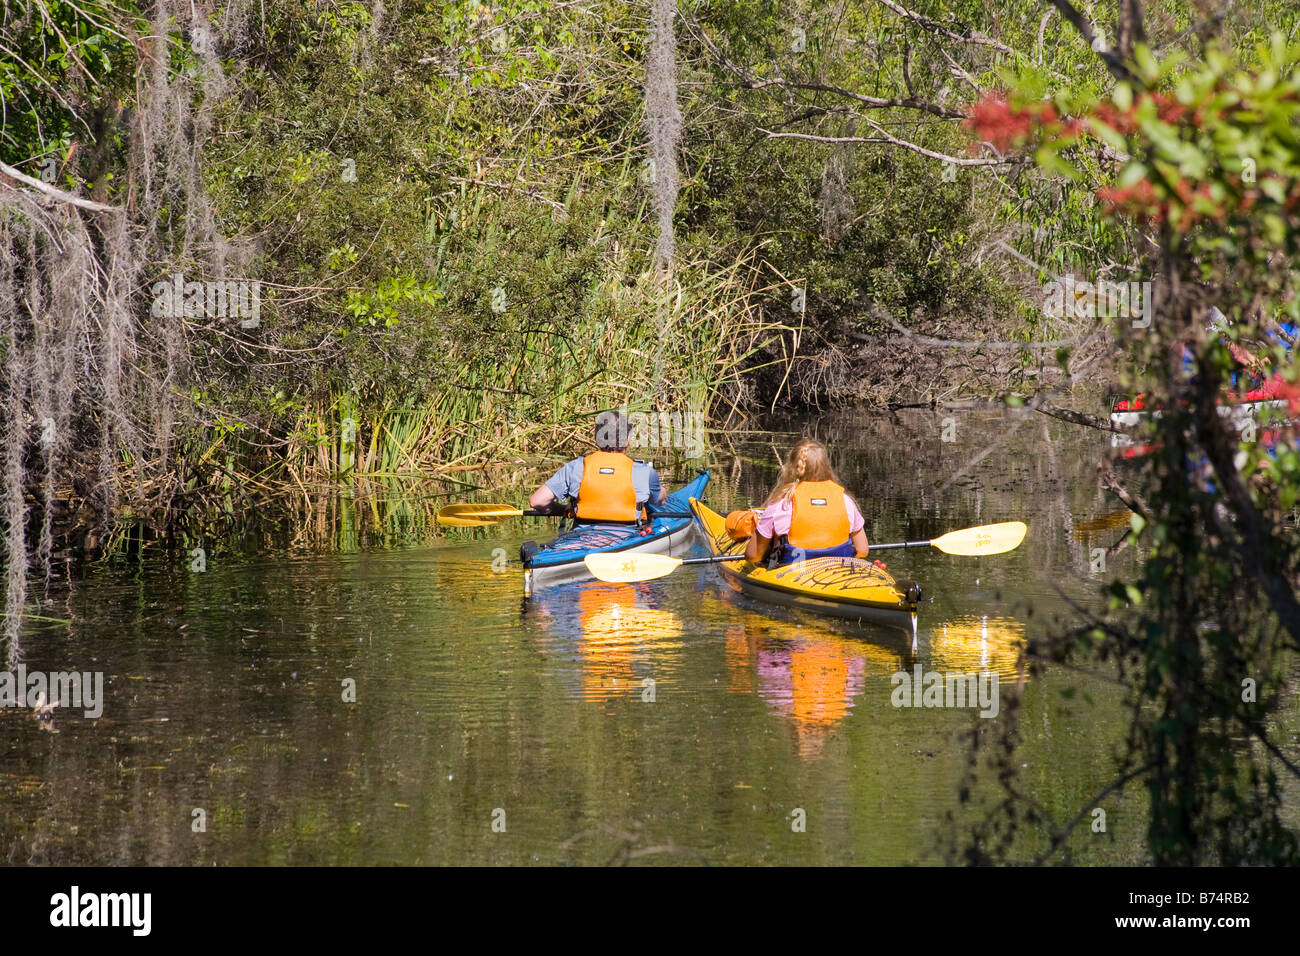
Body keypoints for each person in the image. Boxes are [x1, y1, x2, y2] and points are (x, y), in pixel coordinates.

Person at [742, 438, 870, 566]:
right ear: (826, 466)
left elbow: (753, 556)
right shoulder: (845, 501)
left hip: (791, 572)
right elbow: (862, 551)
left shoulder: (781, 504)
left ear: (791, 467)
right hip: (838, 568)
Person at [528, 410, 666, 523]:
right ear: (627, 440)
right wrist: (662, 491)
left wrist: (565, 510)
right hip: (628, 535)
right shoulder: (645, 472)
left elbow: (537, 501)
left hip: (580, 540)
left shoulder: (575, 467)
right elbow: (658, 501)